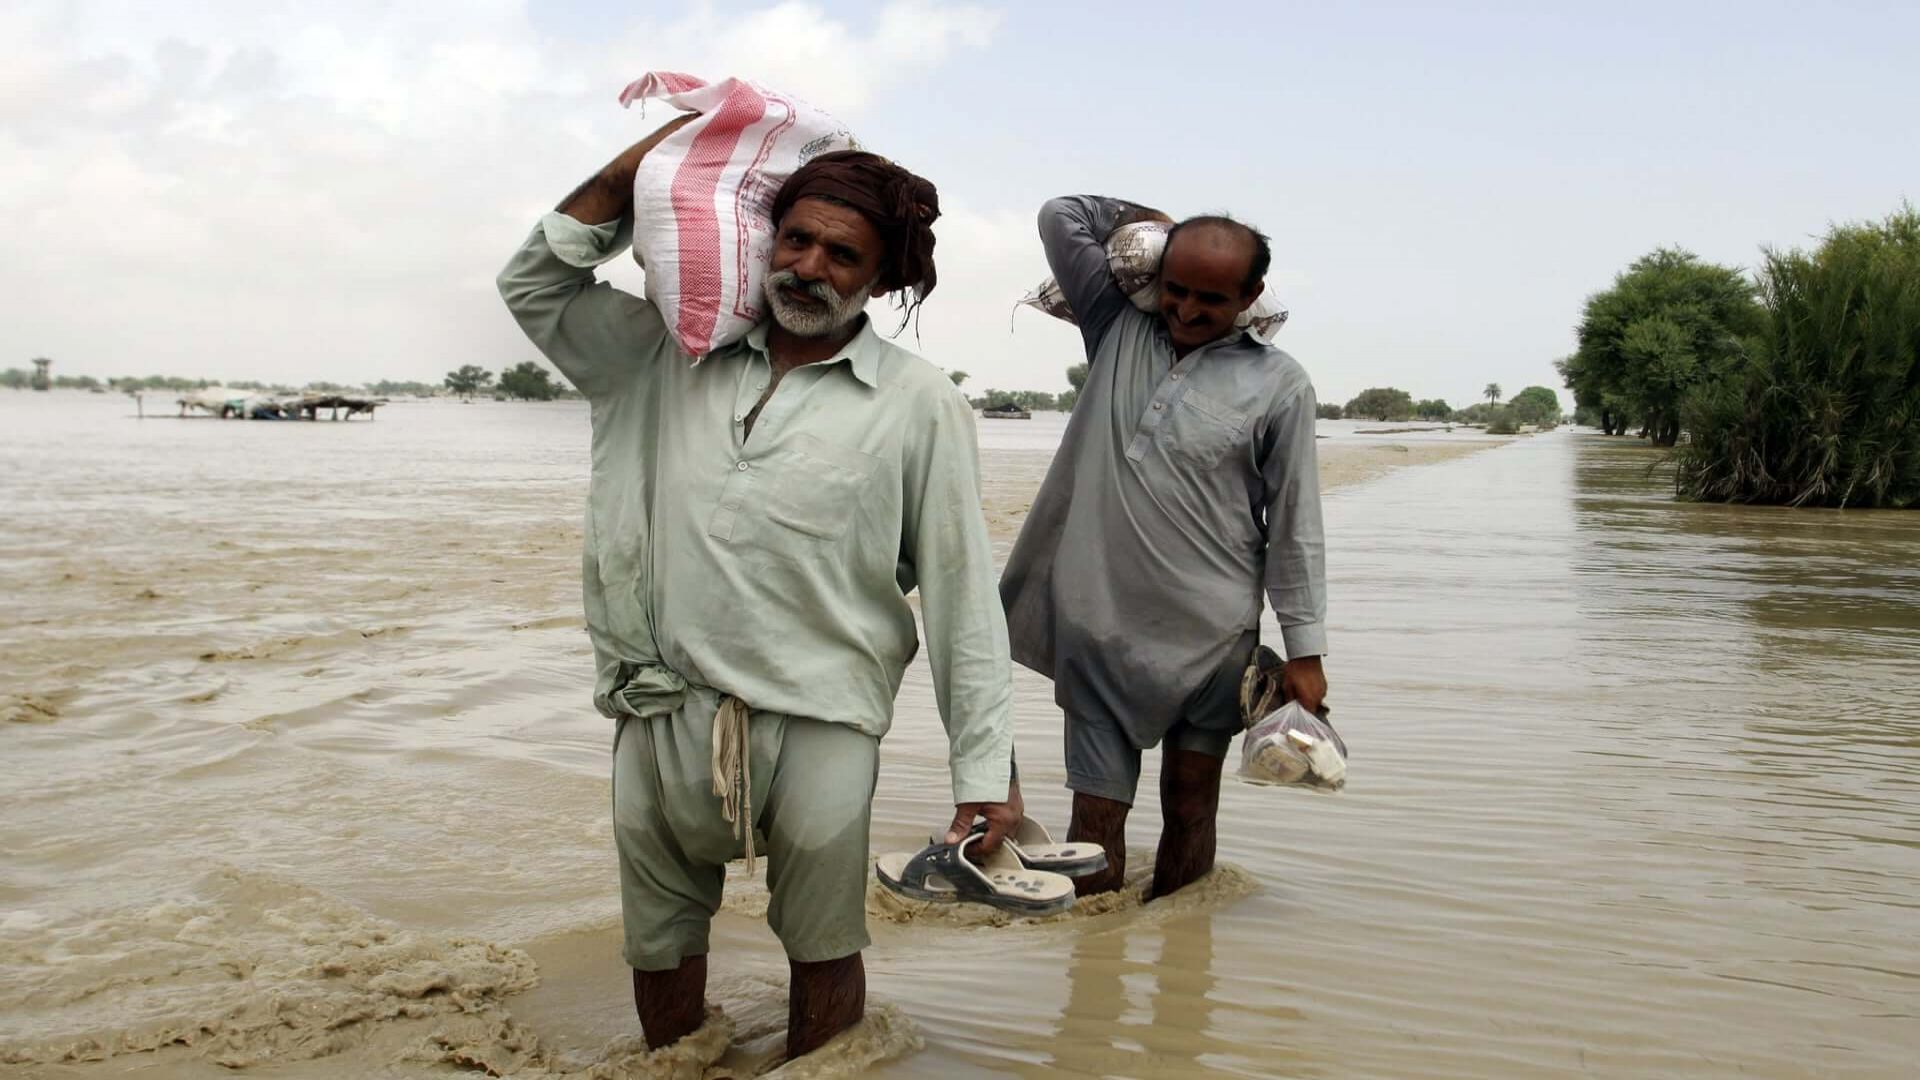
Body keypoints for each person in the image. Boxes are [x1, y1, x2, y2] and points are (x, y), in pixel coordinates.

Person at [497, 119, 1022, 1060]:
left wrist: (983, 778)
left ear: (882, 280)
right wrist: (635, 168)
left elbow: (961, 597)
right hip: (661, 703)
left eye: (842, 255)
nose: (809, 268)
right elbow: (533, 284)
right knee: (658, 941)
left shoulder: (920, 403)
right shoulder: (664, 354)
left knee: (824, 942)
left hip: (821, 714)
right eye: (796, 239)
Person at [999, 195, 1328, 901]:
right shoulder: (1116, 327)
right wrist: (1162, 222)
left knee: (1191, 808)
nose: (1186, 309)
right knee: (1094, 823)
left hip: (1214, 642)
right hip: (1097, 628)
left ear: (1250, 297)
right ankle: (1097, 960)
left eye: (1212, 298)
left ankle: (1183, 946)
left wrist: (1305, 652)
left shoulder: (1281, 384)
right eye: (1175, 288)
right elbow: (1061, 216)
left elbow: (1294, 524)